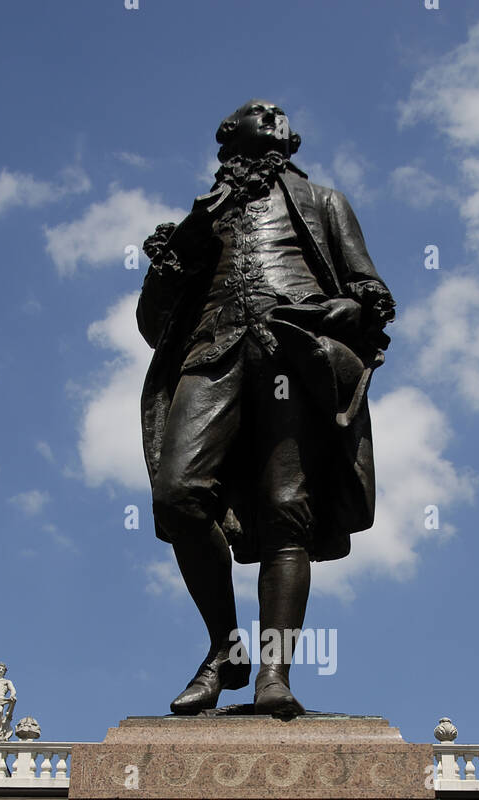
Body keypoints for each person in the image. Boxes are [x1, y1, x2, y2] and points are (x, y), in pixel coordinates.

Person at [137, 99, 394, 717]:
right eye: (259, 110)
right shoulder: (200, 221)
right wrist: (172, 263)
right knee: (177, 495)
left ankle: (272, 672)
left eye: (279, 112)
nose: (273, 114)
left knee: (287, 512)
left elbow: (370, 291)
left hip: (291, 354)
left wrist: (345, 312)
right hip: (213, 351)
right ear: (230, 134)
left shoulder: (324, 202)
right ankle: (225, 649)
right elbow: (152, 325)